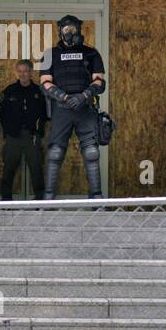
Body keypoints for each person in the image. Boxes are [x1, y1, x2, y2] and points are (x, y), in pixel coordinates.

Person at [40, 14, 106, 199]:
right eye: (65, 29)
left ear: (79, 29)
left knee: (92, 152)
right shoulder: (49, 54)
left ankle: (96, 197)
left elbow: (100, 82)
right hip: (62, 109)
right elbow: (44, 83)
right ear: (60, 31)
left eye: (73, 29)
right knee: (54, 153)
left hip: (85, 108)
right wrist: (63, 96)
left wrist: (84, 96)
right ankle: (48, 198)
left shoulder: (91, 53)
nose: (69, 32)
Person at [0, 59, 47, 200]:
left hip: (32, 136)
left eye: (26, 71)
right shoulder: (9, 90)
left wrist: (38, 131)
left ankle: (40, 200)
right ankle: (6, 201)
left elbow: (46, 113)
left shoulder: (39, 92)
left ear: (31, 73)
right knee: (9, 169)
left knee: (36, 168)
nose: (23, 74)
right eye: (20, 71)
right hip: (14, 136)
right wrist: (8, 128)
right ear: (16, 72)